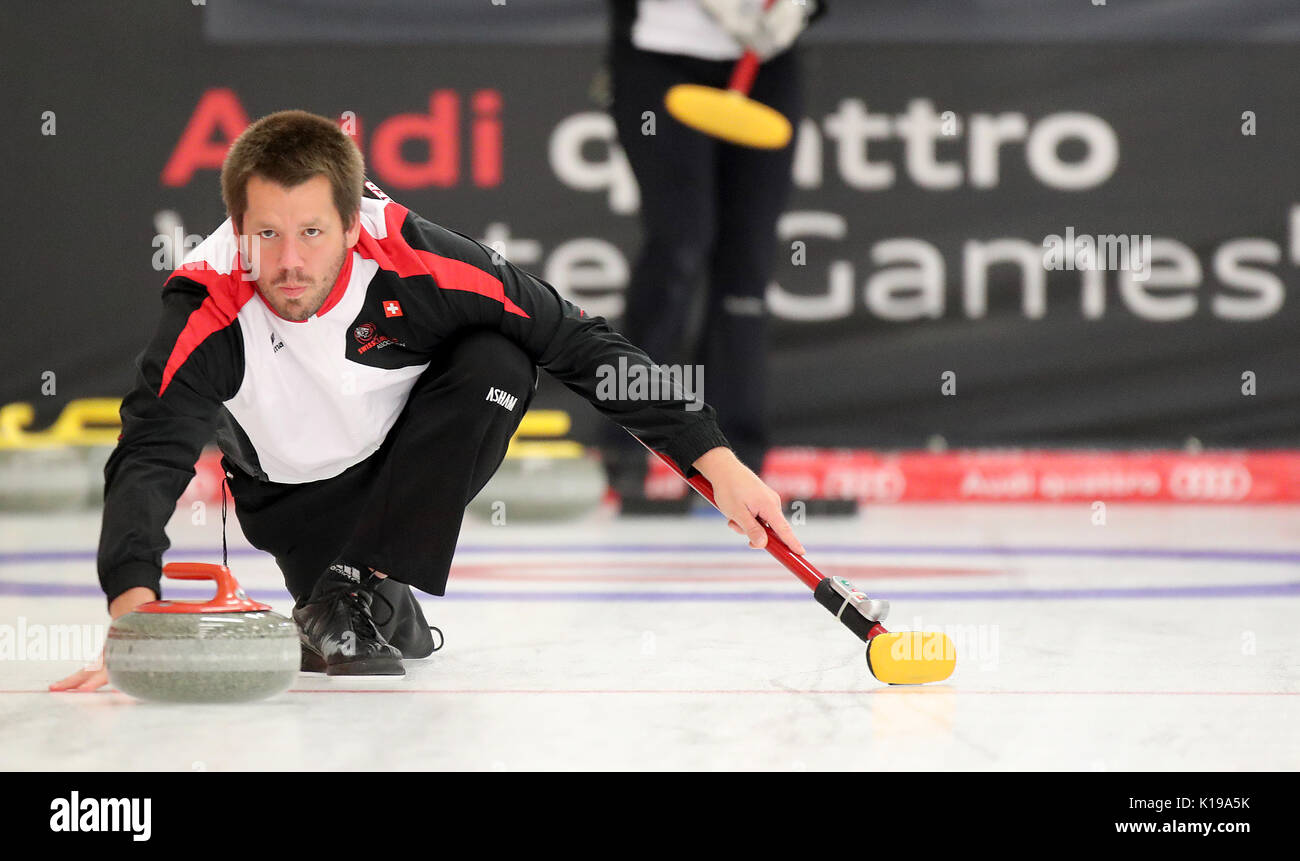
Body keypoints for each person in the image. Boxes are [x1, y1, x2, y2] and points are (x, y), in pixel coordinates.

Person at [51, 109, 805, 687]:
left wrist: (716, 457)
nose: (288, 262)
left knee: (500, 357)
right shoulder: (210, 303)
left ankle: (366, 579)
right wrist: (133, 613)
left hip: (401, 476)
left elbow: (580, 342)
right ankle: (348, 589)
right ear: (237, 228)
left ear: (353, 225)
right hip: (291, 498)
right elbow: (151, 451)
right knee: (377, 642)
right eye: (267, 234)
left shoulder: (418, 257)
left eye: (313, 231)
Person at [600, 0, 824, 508]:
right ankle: (626, 446)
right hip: (661, 58)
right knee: (680, 243)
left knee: (746, 261)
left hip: (765, 60)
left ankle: (737, 459)